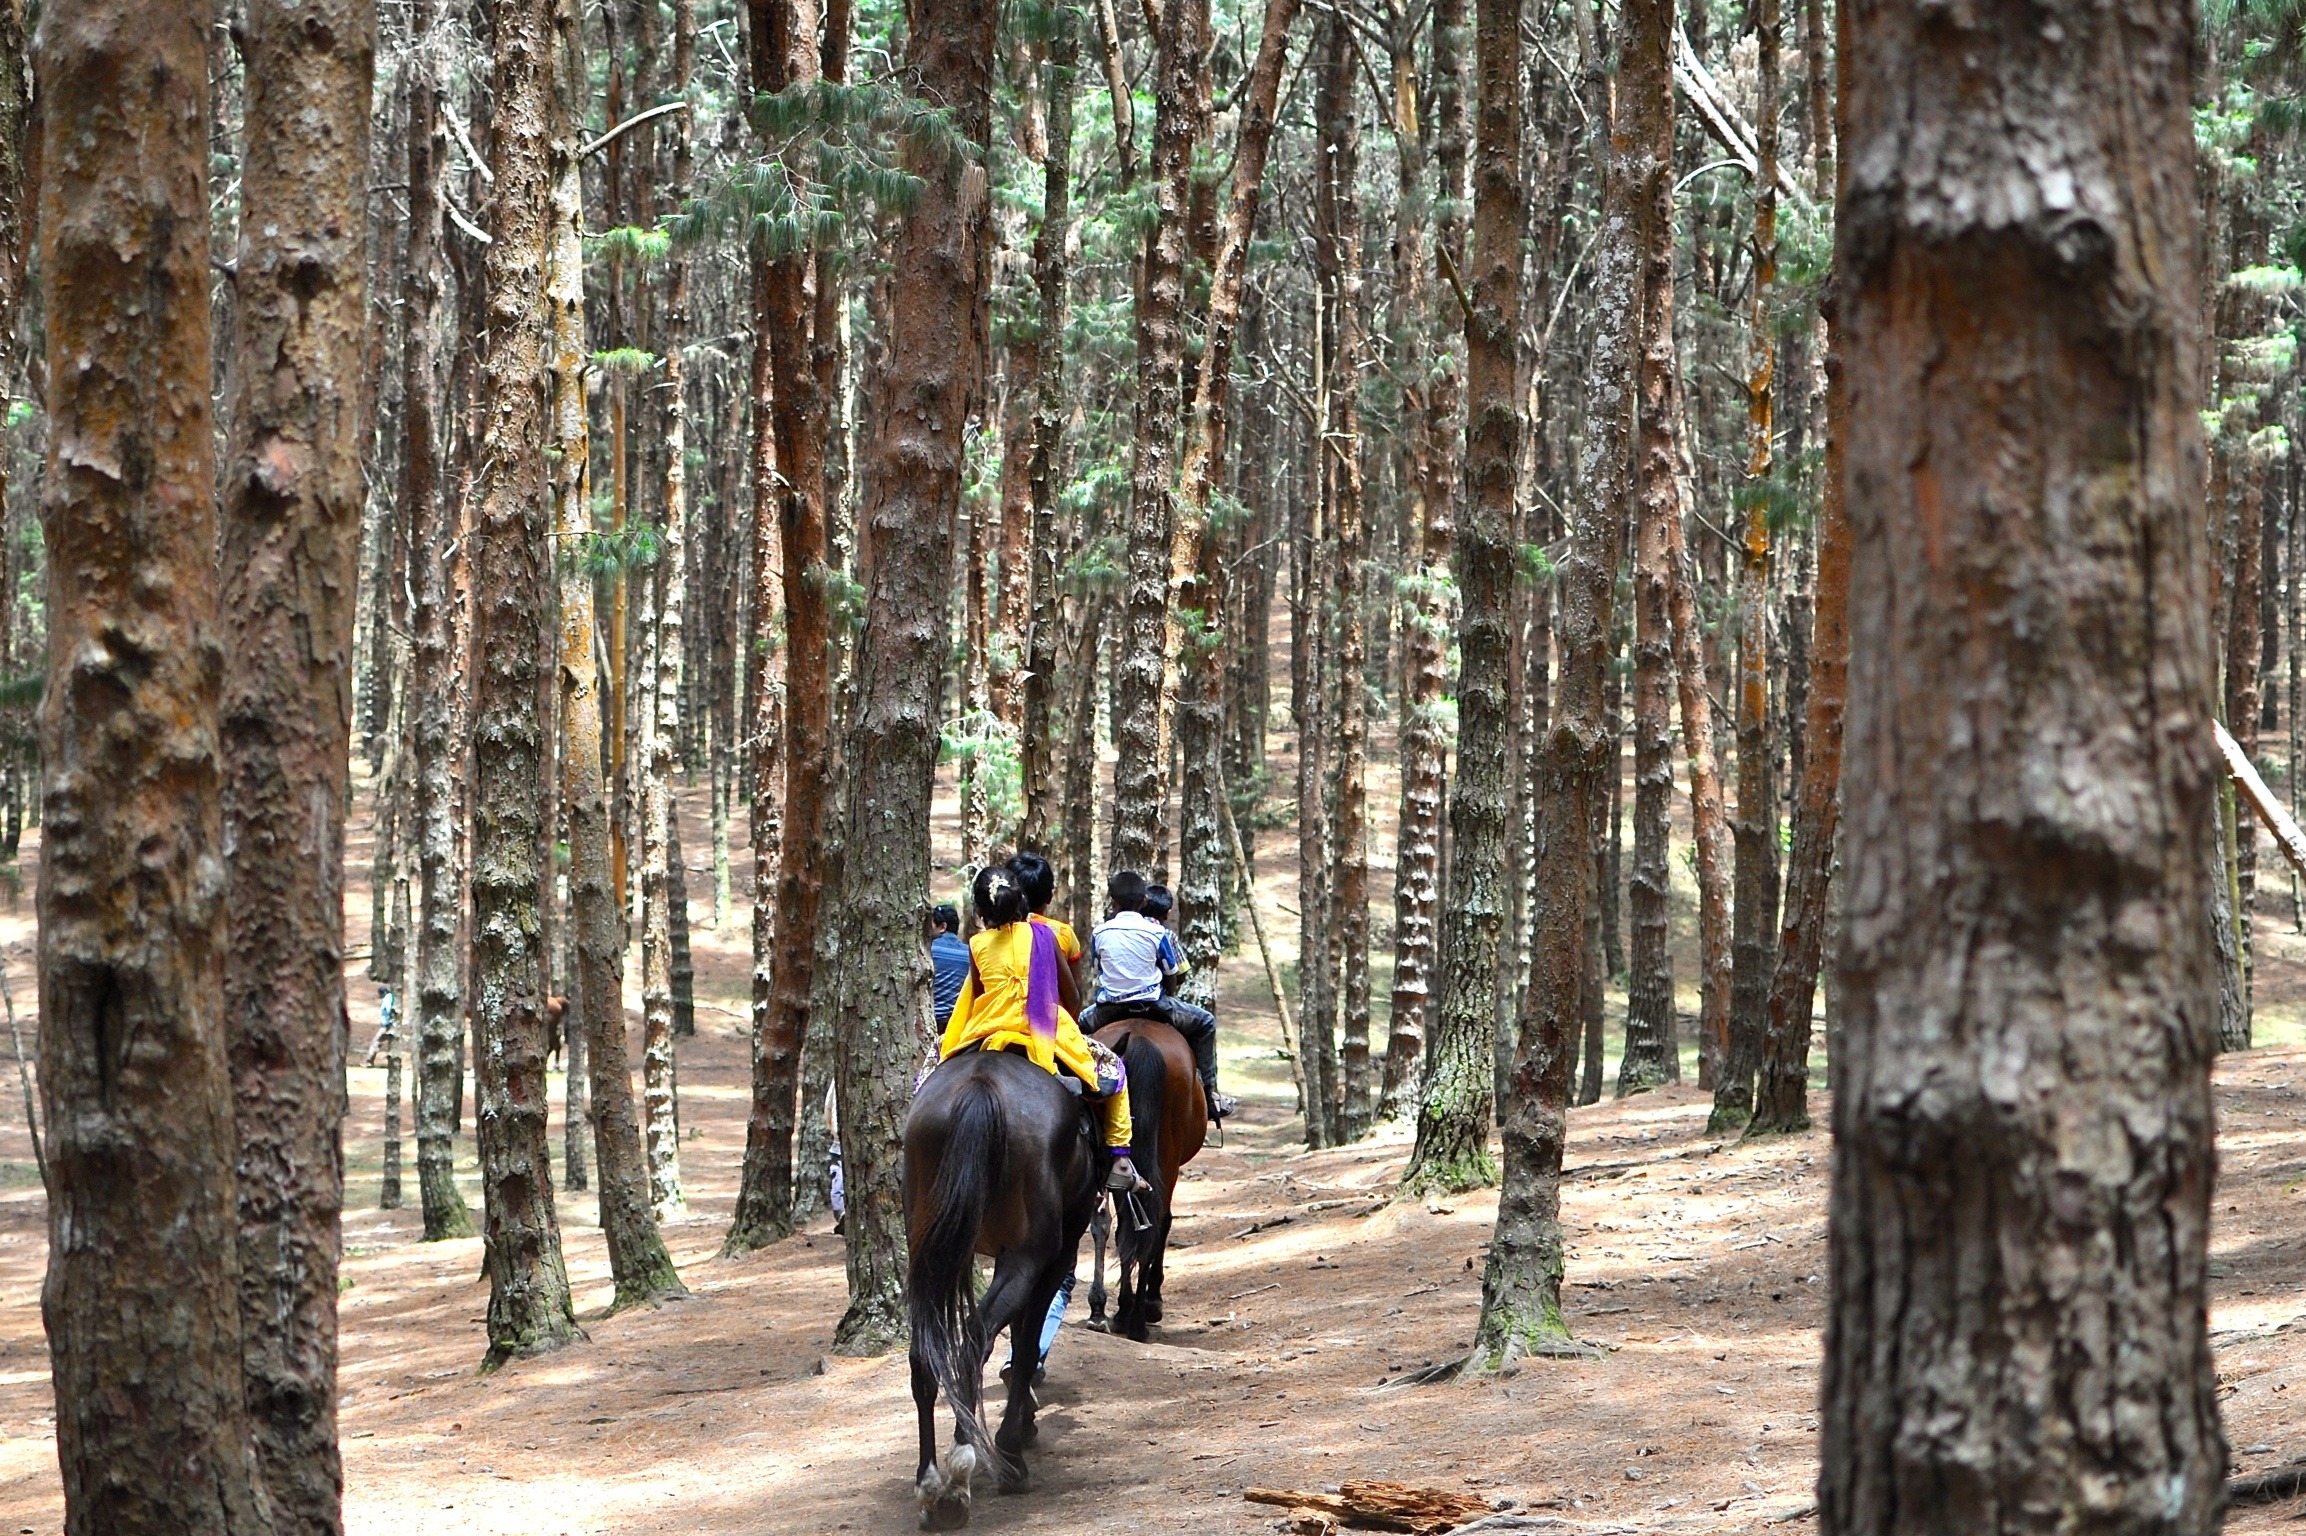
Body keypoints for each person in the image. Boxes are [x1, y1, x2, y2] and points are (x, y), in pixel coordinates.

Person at [940, 863, 1148, 1192]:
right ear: (1020, 900)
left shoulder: (977, 945)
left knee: (932, 1075)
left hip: (989, 1030)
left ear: (980, 911)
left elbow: (977, 995)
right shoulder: (1045, 936)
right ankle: (1120, 1161)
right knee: (1114, 1070)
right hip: (1043, 1030)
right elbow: (1074, 997)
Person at [1089, 872, 1237, 1120]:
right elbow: (1171, 973)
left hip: (1109, 1008)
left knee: (1076, 1027)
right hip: (1153, 1004)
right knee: (1205, 1023)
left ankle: (1077, 1092)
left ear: (1112, 901)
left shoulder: (1100, 933)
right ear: (1144, 900)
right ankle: (1211, 1094)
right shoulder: (1157, 933)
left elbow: (1100, 968)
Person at [929, 903, 971, 1029]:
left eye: (931, 926)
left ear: (942, 927)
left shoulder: (928, 950)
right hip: (958, 1023)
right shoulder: (970, 953)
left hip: (932, 1020)